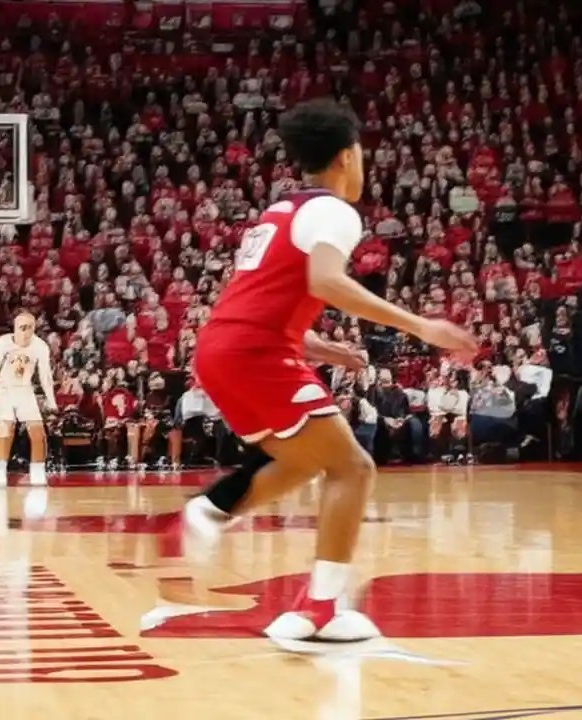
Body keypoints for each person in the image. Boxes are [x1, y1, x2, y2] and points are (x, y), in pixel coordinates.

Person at [161, 98, 477, 643]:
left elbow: (264, 306)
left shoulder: (278, 212)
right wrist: (421, 327)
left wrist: (330, 351)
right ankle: (319, 609)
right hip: (256, 354)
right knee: (353, 469)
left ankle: (214, 508)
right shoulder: (334, 210)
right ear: (347, 156)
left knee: (307, 460)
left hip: (223, 350)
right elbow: (326, 283)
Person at [0, 311, 56, 487]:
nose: (27, 332)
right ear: (15, 329)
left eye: (31, 328)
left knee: (38, 431)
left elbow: (45, 376)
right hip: (6, 389)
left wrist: (51, 400)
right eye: (23, 328)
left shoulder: (40, 347)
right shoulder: (3, 343)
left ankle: (38, 470)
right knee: (6, 427)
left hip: (25, 390)